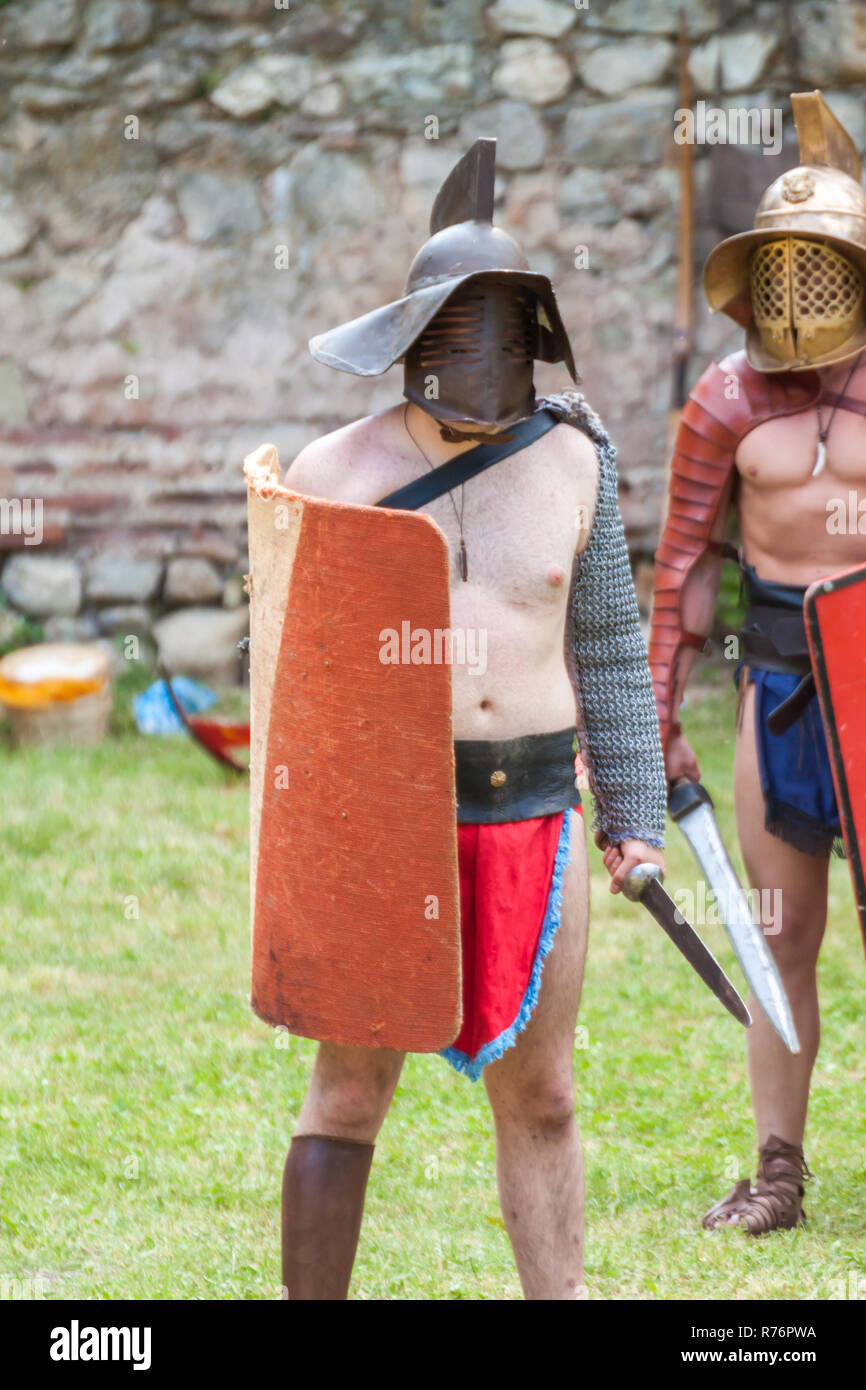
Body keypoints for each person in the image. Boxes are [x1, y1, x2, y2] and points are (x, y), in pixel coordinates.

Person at [276, 140, 666, 1299]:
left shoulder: (575, 462)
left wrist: (633, 813)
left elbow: (604, 645)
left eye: (501, 322)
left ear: (532, 331)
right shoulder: (330, 474)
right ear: (411, 334)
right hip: (384, 821)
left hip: (536, 808)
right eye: (460, 323)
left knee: (542, 1095)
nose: (481, 349)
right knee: (348, 1096)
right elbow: (298, 684)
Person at [650, 91, 866, 1233]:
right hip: (777, 681)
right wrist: (653, 721)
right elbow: (682, 566)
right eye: (778, 264)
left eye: (817, 263)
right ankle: (775, 1169)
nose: (797, 285)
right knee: (779, 936)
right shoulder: (725, 402)